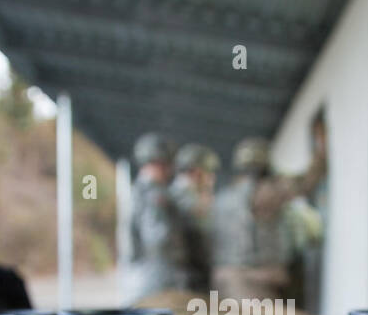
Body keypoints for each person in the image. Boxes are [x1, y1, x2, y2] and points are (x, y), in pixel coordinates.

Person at [211, 127, 327, 302]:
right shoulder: (267, 191)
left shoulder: (224, 196)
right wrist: (321, 149)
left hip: (226, 282)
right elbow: (307, 181)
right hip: (258, 282)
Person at [127, 132, 188, 299]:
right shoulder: (154, 194)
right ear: (161, 163)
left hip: (146, 273)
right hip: (158, 276)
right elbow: (159, 238)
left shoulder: (139, 189)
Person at [169, 143, 221, 294]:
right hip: (188, 276)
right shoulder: (185, 197)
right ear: (197, 172)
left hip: (190, 273)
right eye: (209, 173)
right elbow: (203, 228)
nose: (212, 179)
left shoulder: (179, 193)